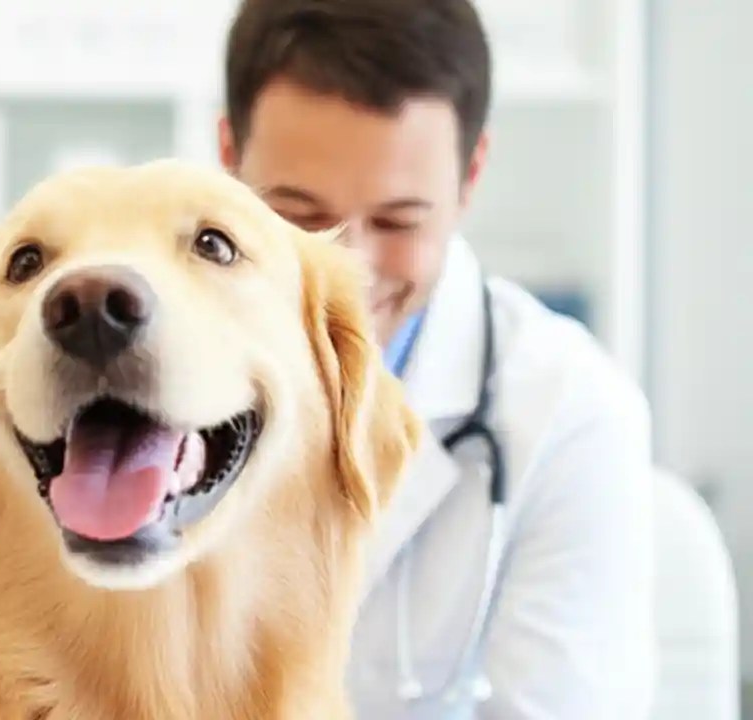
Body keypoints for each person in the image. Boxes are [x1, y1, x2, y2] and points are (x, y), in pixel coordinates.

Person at [218, 0, 655, 717]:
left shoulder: (570, 412)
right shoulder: (142, 383)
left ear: (469, 175)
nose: (349, 271)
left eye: (396, 221)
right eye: (298, 216)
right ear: (229, 156)